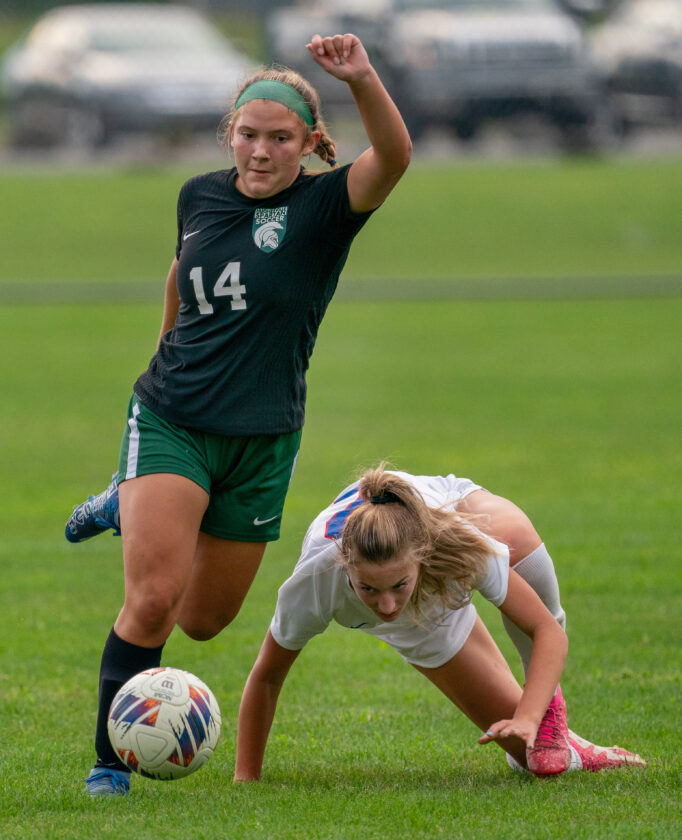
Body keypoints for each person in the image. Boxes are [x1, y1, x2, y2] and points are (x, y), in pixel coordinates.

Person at [77, 33, 412, 797]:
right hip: (173, 417)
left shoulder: (326, 207)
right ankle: (108, 764)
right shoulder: (198, 195)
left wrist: (362, 77)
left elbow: (394, 157)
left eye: (281, 138)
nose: (262, 152)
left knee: (202, 621)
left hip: (262, 439)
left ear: (311, 143)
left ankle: (127, 505)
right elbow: (181, 273)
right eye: (249, 134)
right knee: (152, 601)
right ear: (230, 133)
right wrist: (164, 356)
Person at [233, 467, 646, 781]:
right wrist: (246, 780)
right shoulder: (315, 581)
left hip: (445, 520)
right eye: (368, 589)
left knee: (519, 542)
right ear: (345, 568)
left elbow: (547, 631)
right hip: (421, 620)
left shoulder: (457, 545)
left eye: (398, 584)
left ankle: (551, 714)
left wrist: (531, 715)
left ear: (421, 558)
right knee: (529, 758)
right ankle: (573, 746)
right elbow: (267, 676)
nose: (386, 605)